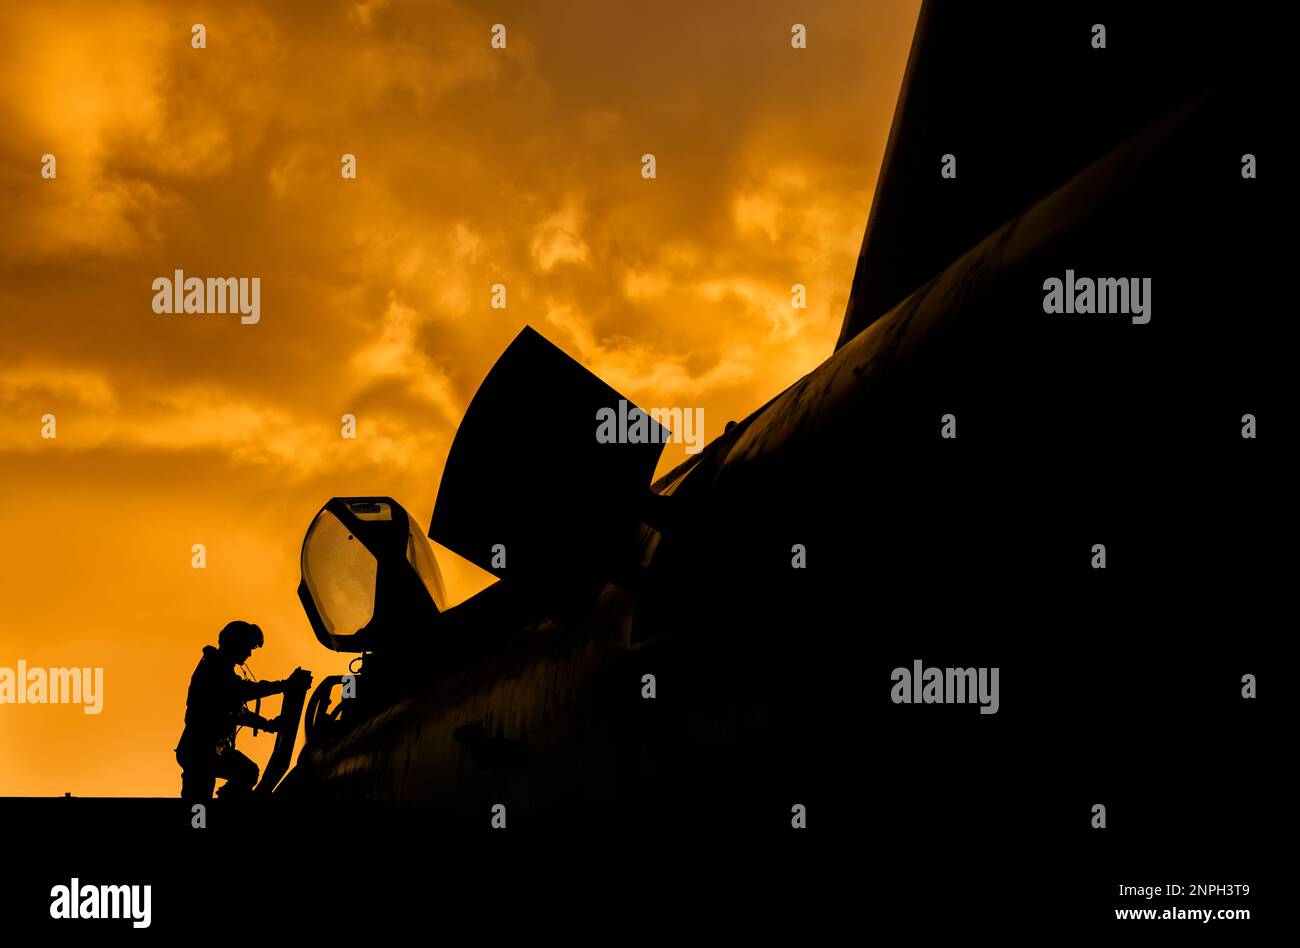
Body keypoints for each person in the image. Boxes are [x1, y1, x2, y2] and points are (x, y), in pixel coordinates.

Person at [175, 620, 309, 801]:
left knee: (247, 772)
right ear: (236, 644)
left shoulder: (219, 668)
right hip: (200, 751)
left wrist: (267, 724)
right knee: (200, 802)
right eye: (248, 647)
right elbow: (242, 692)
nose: (249, 654)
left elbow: (235, 710)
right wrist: (286, 686)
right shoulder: (214, 669)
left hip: (208, 750)